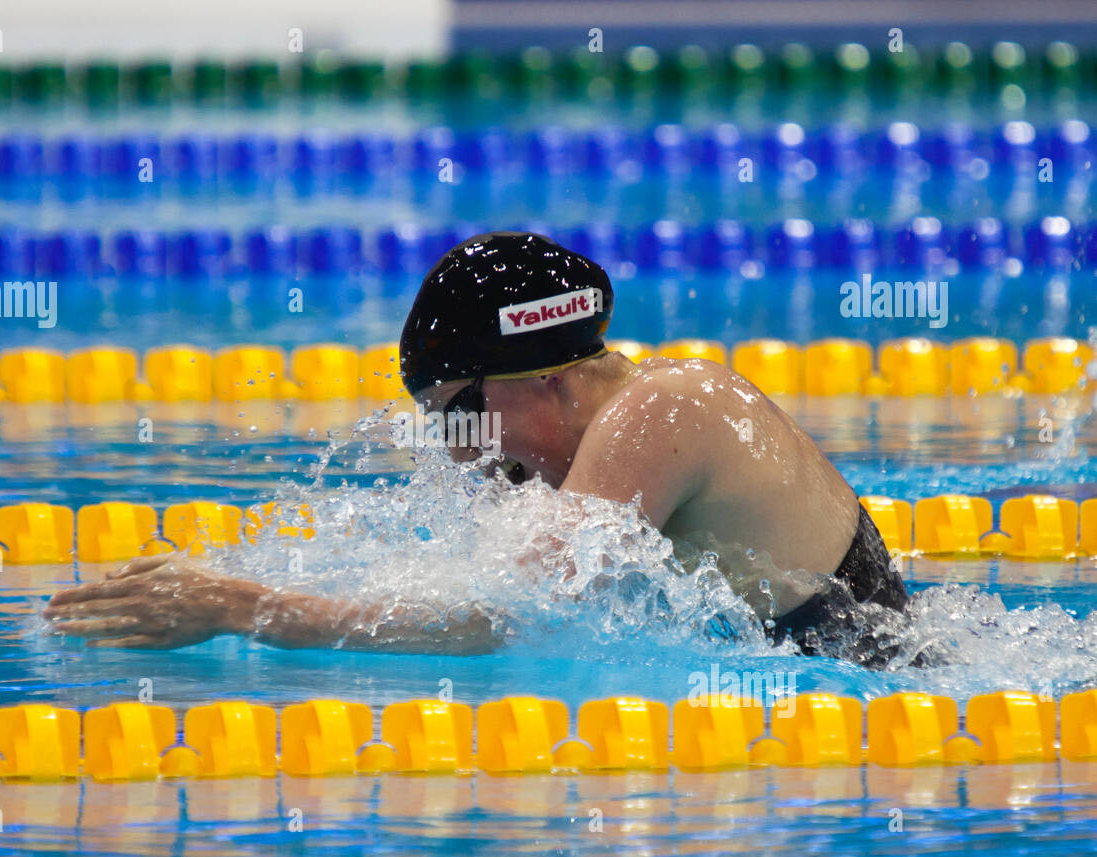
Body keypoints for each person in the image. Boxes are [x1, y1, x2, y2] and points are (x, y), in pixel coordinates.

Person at [46, 232, 910, 666]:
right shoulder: (616, 434)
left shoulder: (665, 409)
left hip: (881, 708)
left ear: (542, 375)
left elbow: (508, 625)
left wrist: (241, 607)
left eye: (460, 414)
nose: (461, 456)